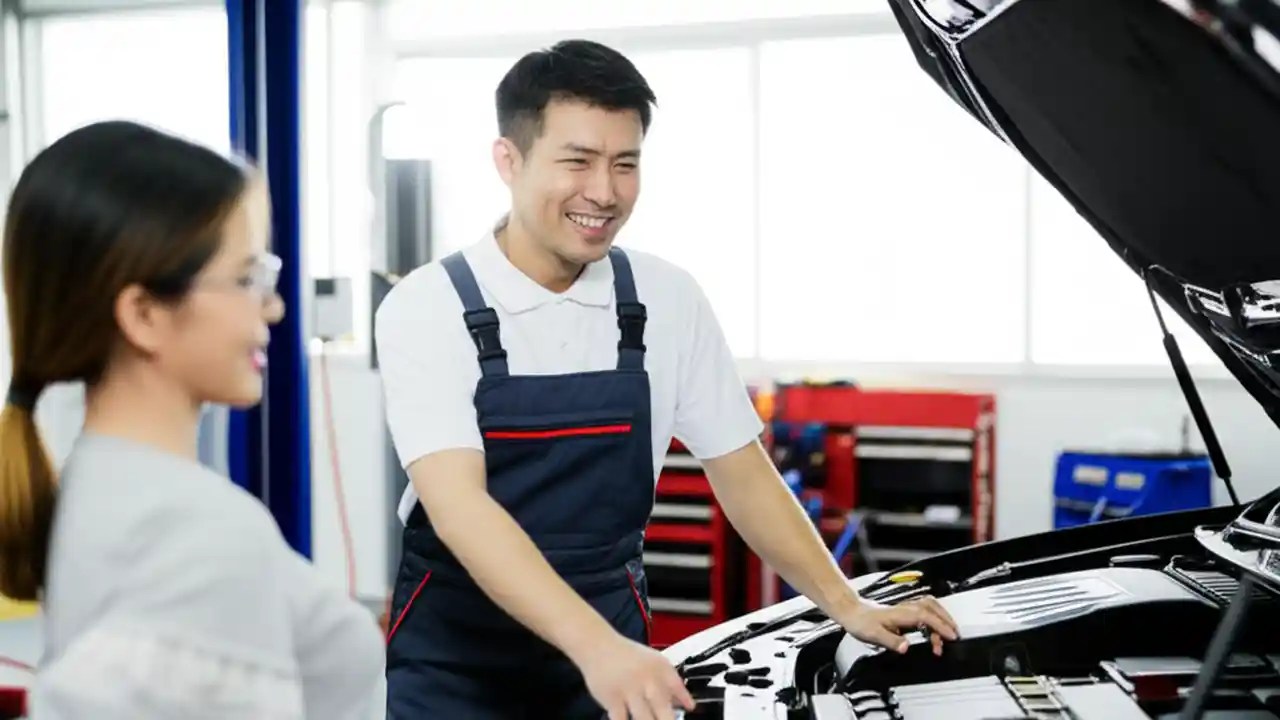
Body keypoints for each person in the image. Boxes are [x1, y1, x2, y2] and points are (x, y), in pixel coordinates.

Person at [376, 39, 959, 720]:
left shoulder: (665, 298)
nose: (604, 191)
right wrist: (597, 650)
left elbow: (741, 469)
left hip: (615, 652)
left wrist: (846, 601)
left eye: (625, 164)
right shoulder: (427, 306)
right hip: (459, 662)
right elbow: (461, 511)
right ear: (508, 160)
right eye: (577, 161)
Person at [0, 121, 384, 719]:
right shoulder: (200, 533)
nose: (275, 305)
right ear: (145, 314)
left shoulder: (96, 484)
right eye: (245, 279)